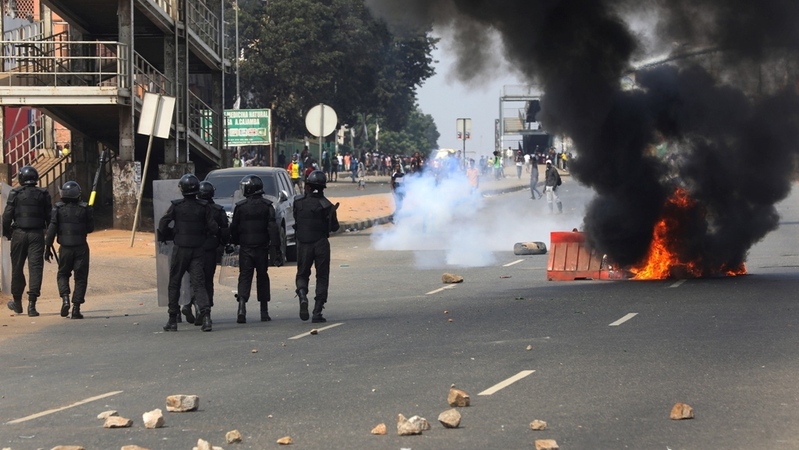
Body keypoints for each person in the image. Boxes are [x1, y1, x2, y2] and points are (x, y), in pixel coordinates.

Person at [158, 174, 218, 332]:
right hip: (198, 250)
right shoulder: (204, 207)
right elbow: (213, 228)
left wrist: (169, 235)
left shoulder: (177, 206)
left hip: (181, 249)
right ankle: (206, 317)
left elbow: (163, 223)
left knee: (175, 283)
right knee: (199, 284)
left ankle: (172, 319)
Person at [229, 174, 282, 324]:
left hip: (246, 247)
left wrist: (234, 242)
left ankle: (241, 307)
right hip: (262, 248)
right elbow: (273, 229)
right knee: (262, 276)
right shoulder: (267, 206)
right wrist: (276, 250)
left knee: (245, 276)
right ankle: (264, 311)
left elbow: (234, 228)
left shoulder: (240, 207)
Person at [2, 166, 52, 316]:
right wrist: (49, 238)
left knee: (17, 268)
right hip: (37, 235)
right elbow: (50, 218)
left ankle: (17, 303)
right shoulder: (43, 194)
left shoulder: (15, 193)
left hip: (19, 234)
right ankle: (32, 305)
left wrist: (7, 234)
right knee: (35, 268)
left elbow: (6, 216)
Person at [293, 171, 339, 323]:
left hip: (303, 243)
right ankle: (317, 311)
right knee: (322, 276)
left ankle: (302, 295)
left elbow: (297, 221)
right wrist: (332, 214)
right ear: (323, 187)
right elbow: (334, 228)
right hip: (320, 243)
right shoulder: (327, 205)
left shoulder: (298, 203)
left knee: (302, 273)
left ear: (308, 186)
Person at [182, 181, 230, 326]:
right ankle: (204, 310)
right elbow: (224, 230)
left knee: (194, 280)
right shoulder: (217, 209)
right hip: (210, 249)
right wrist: (225, 243)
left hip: (192, 247)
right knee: (207, 280)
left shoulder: (191, 208)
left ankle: (190, 305)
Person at [43, 181, 94, 319]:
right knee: (81, 278)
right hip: (81, 248)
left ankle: (65, 298)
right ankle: (76, 308)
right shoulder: (85, 208)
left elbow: (52, 228)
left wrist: (47, 247)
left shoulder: (58, 208)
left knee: (62, 274)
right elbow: (90, 228)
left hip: (64, 248)